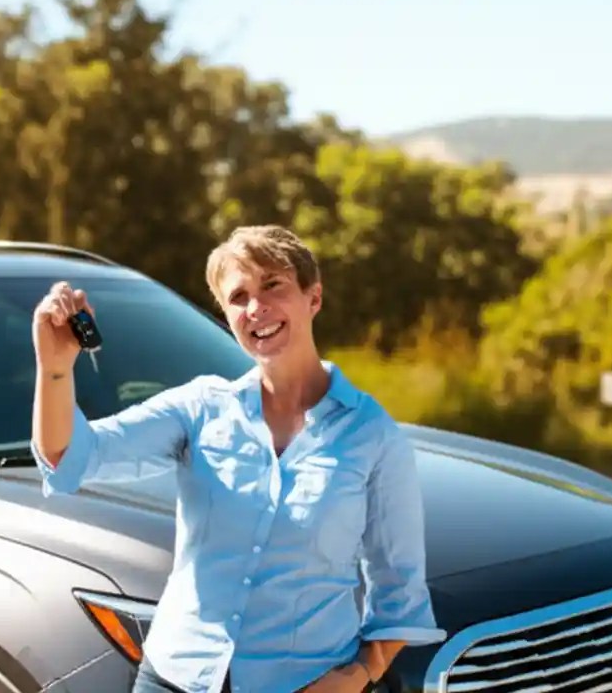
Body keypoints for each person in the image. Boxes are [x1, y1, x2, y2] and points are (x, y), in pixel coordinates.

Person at [29, 225, 445, 693]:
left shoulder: (371, 434)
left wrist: (359, 675)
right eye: (239, 296)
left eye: (273, 286)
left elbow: (399, 589)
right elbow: (67, 459)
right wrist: (56, 367)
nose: (256, 308)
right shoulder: (199, 408)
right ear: (227, 315)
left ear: (314, 297)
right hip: (173, 680)